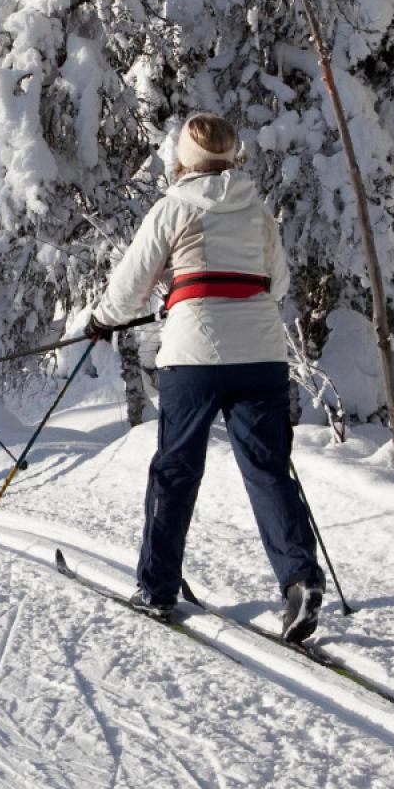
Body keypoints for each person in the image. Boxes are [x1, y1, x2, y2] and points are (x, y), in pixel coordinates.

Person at [86, 113, 324, 642]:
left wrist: (102, 320)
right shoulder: (259, 212)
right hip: (260, 352)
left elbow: (130, 287)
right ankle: (300, 579)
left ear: (182, 162)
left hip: (192, 354)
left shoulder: (173, 207)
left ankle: (157, 589)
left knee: (176, 469)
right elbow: (277, 282)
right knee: (267, 468)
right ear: (231, 156)